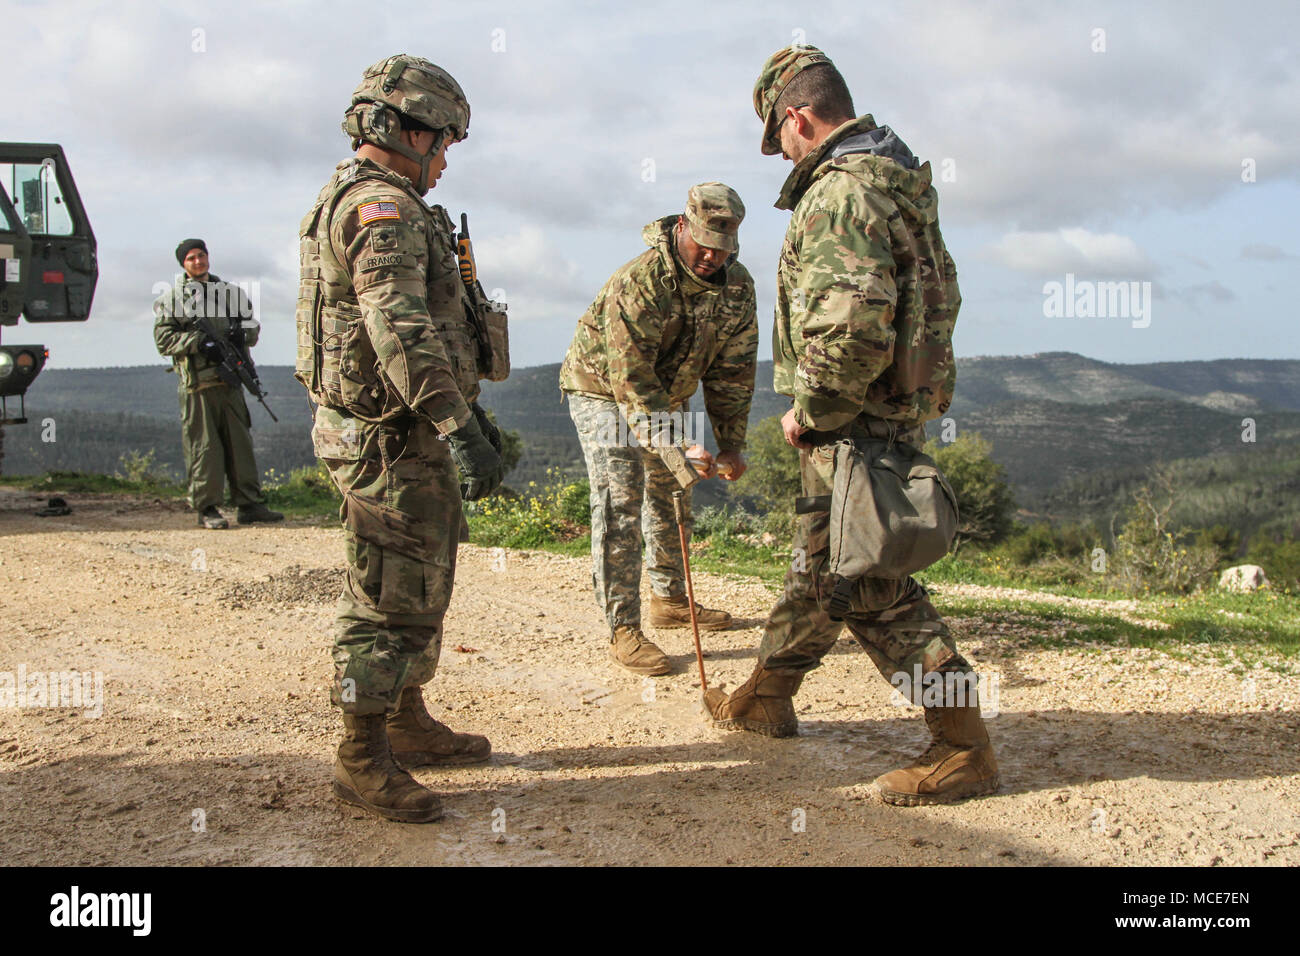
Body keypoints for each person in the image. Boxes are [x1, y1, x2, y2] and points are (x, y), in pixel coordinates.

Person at [705, 46, 999, 806]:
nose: (784, 153)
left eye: (781, 138)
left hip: (853, 424)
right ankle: (768, 694)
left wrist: (815, 412)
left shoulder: (840, 194)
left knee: (869, 582)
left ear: (797, 117)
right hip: (889, 413)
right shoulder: (897, 181)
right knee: (821, 563)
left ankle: (963, 745)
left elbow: (854, 329)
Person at [296, 54, 506, 823]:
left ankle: (405, 717)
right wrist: (460, 426)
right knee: (384, 597)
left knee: (422, 581)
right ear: (401, 129)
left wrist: (460, 418)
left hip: (407, 429)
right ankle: (360, 753)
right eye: (442, 141)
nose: (446, 158)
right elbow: (400, 329)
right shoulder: (376, 209)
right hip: (387, 437)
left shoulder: (394, 203)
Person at [560, 183, 758, 676]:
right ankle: (622, 628)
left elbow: (732, 371)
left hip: (665, 394)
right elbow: (632, 381)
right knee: (621, 494)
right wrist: (676, 443)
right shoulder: (641, 281)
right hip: (603, 389)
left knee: (674, 491)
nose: (711, 255)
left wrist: (730, 444)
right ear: (682, 227)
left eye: (723, 246)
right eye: (704, 243)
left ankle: (668, 598)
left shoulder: (738, 288)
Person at [153, 239, 283, 529]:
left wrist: (241, 335)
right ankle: (207, 508)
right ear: (183, 265)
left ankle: (249, 504)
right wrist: (199, 342)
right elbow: (163, 340)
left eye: (201, 256)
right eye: (191, 258)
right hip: (198, 384)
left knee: (240, 445)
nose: (198, 262)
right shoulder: (173, 300)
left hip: (231, 381)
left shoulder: (229, 294)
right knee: (204, 448)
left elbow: (252, 326)